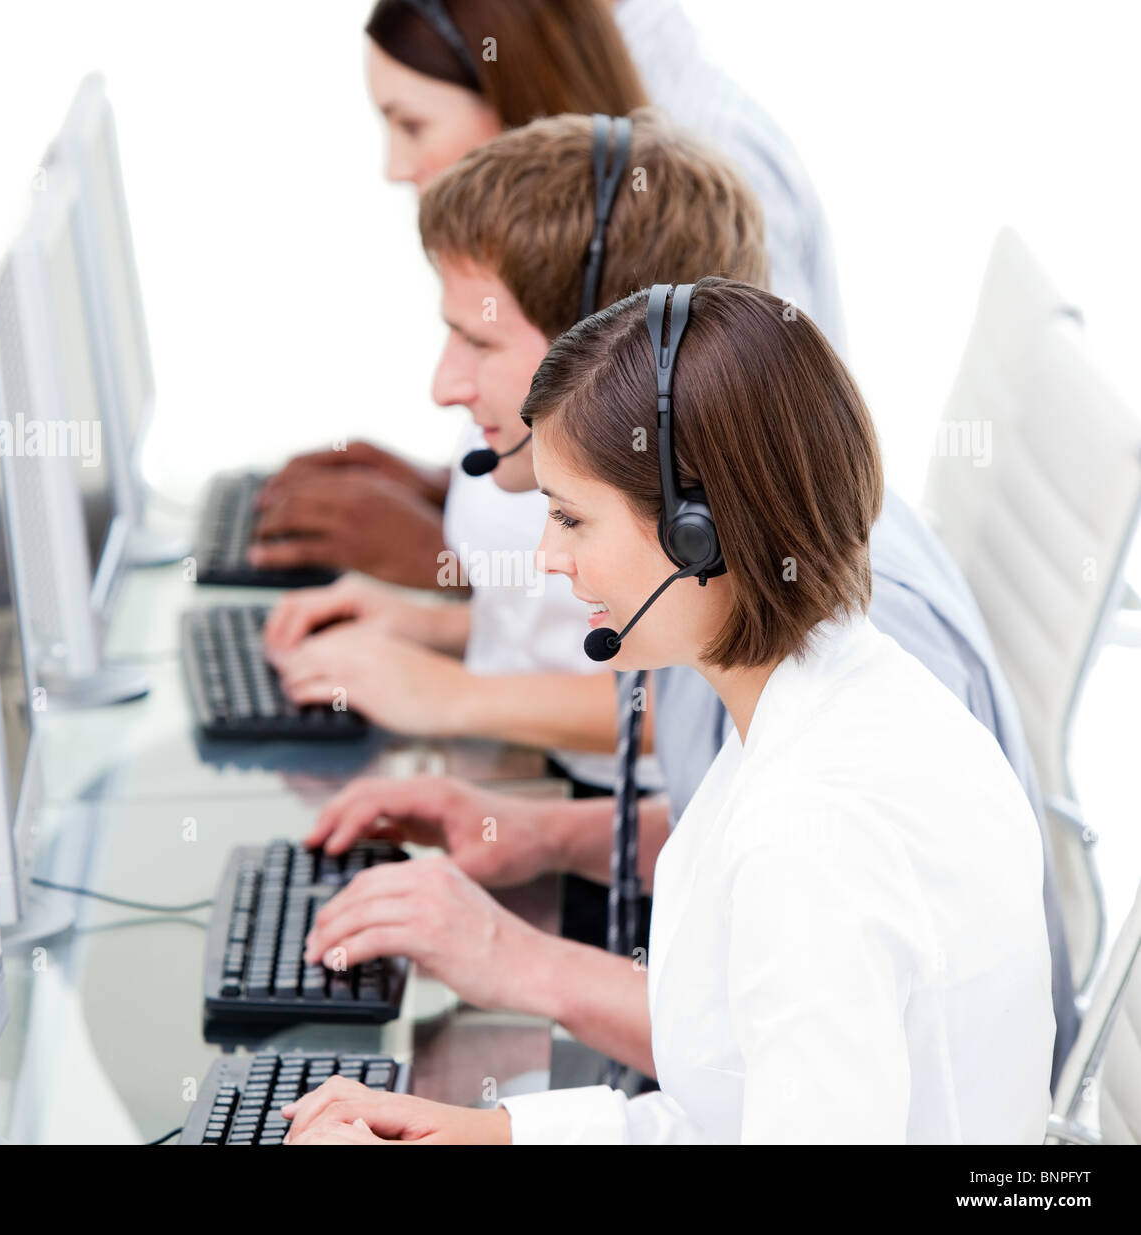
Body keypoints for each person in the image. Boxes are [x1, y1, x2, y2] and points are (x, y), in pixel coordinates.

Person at [261, 112, 1080, 1076]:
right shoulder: (719, 564)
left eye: (475, 342)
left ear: (616, 353)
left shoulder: (845, 623)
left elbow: (818, 1040)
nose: (446, 387)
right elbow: (742, 843)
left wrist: (510, 958)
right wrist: (545, 835)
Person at [249, 0, 844, 585]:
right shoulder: (549, 249)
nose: (395, 167)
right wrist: (445, 493)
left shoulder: (695, 181)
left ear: (515, 97)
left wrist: (446, 568)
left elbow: (725, 533)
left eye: (412, 124)